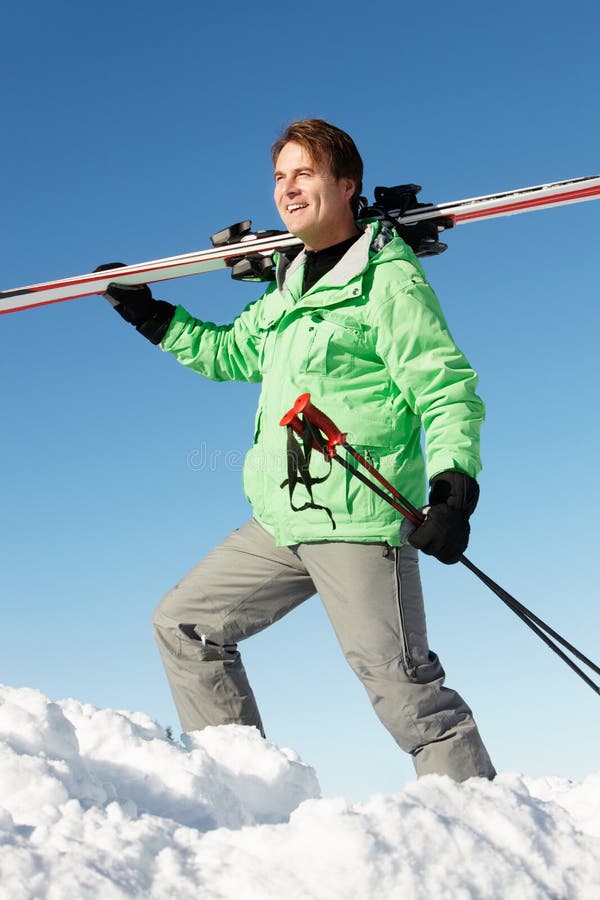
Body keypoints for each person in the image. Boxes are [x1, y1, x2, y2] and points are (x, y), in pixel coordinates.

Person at [101, 119, 495, 782]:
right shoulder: (288, 285)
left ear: (346, 186)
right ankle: (245, 791)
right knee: (184, 625)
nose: (287, 188)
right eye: (280, 176)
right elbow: (229, 353)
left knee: (407, 699)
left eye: (304, 173)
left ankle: (485, 822)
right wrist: (151, 316)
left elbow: (444, 387)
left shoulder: (387, 281)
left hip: (359, 521)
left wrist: (453, 490)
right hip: (283, 519)